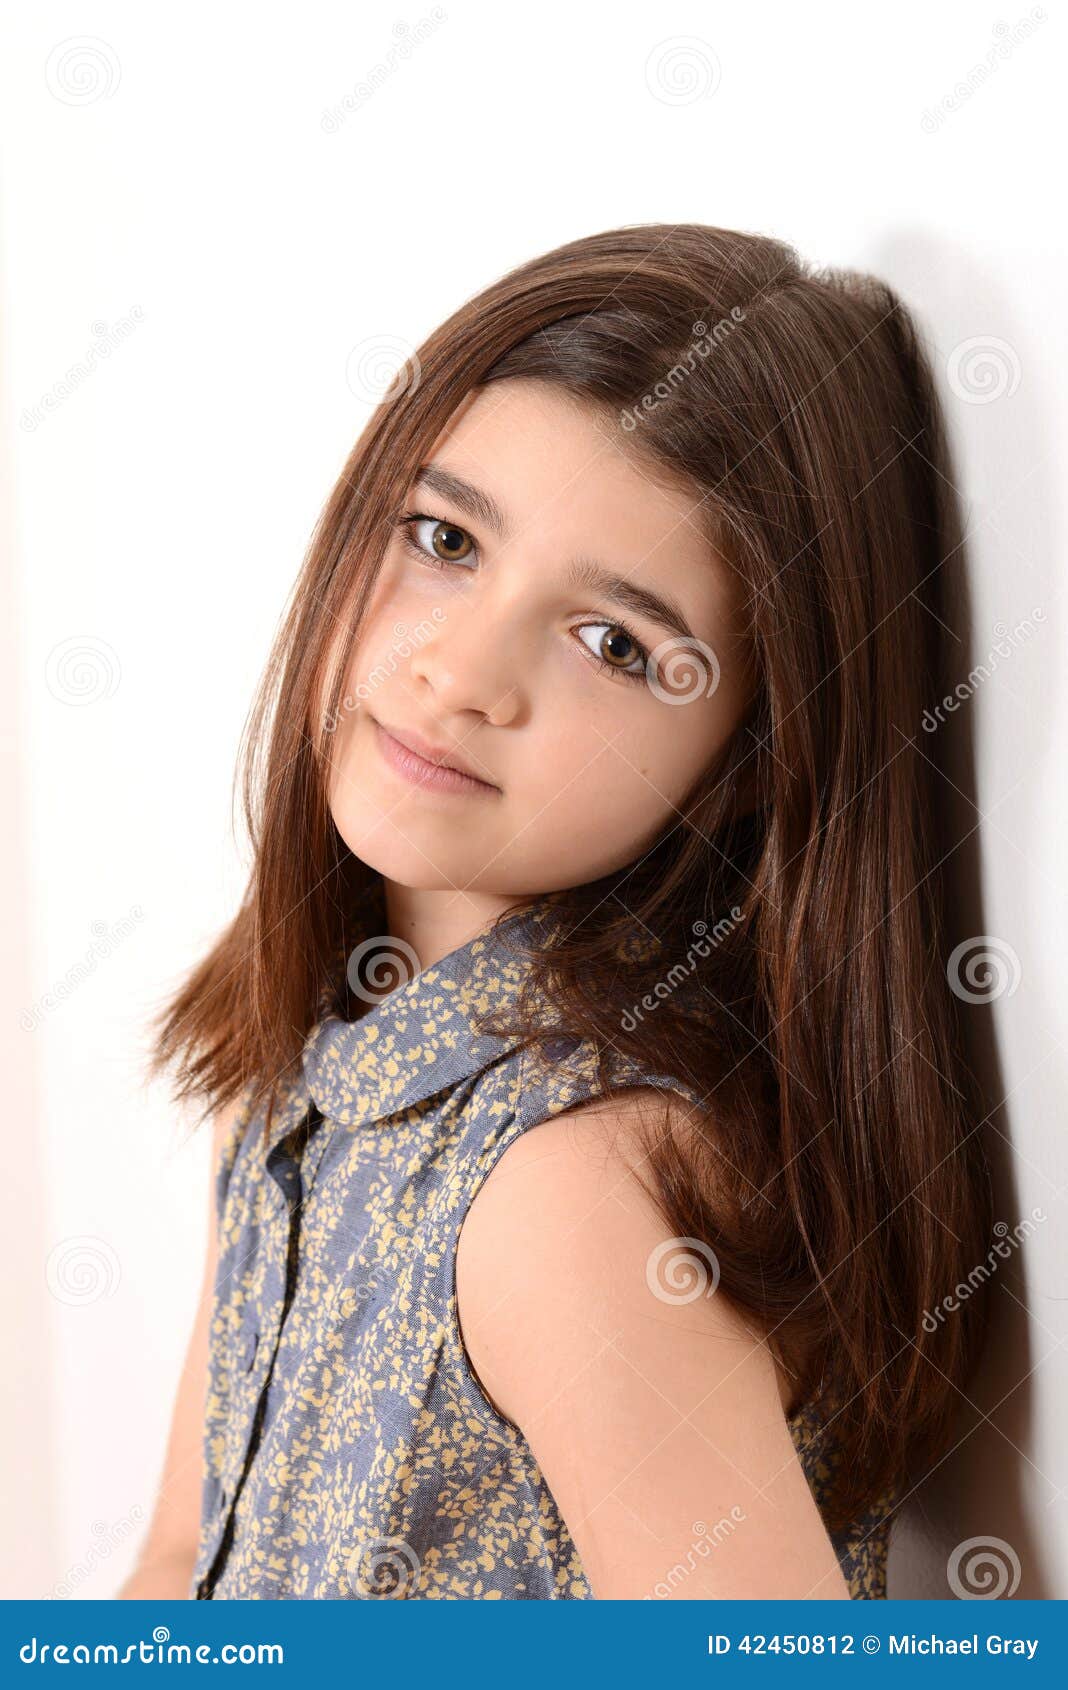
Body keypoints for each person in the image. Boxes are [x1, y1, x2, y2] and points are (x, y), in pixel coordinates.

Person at [119, 222, 993, 1601]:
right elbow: (180, 1563)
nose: (461, 669)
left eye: (616, 643)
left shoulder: (563, 1198)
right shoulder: (300, 1074)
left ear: (758, 748)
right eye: (446, 537)